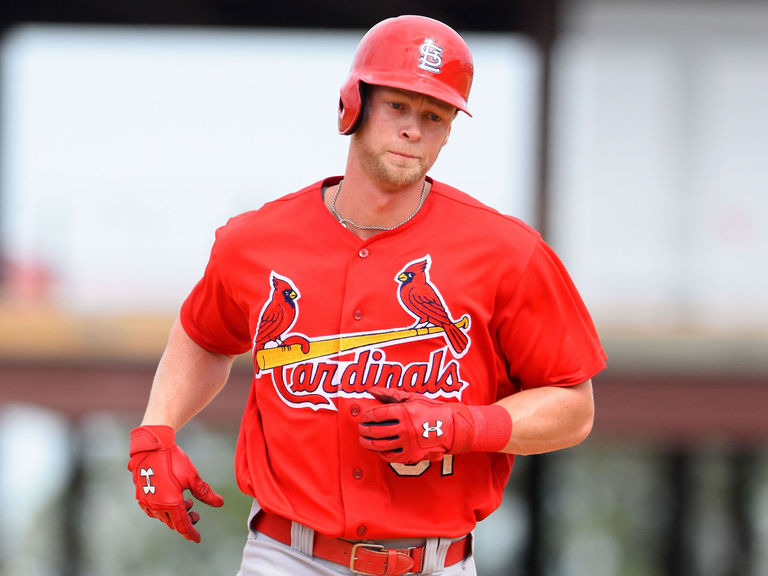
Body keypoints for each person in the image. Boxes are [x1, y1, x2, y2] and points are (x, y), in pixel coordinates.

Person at [127, 14, 607, 576]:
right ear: (351, 106)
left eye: (433, 115)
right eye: (397, 106)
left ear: (450, 128)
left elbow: (573, 406)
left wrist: (461, 426)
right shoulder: (255, 241)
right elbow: (204, 336)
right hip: (286, 557)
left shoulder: (508, 252)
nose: (413, 130)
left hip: (435, 561)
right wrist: (156, 430)